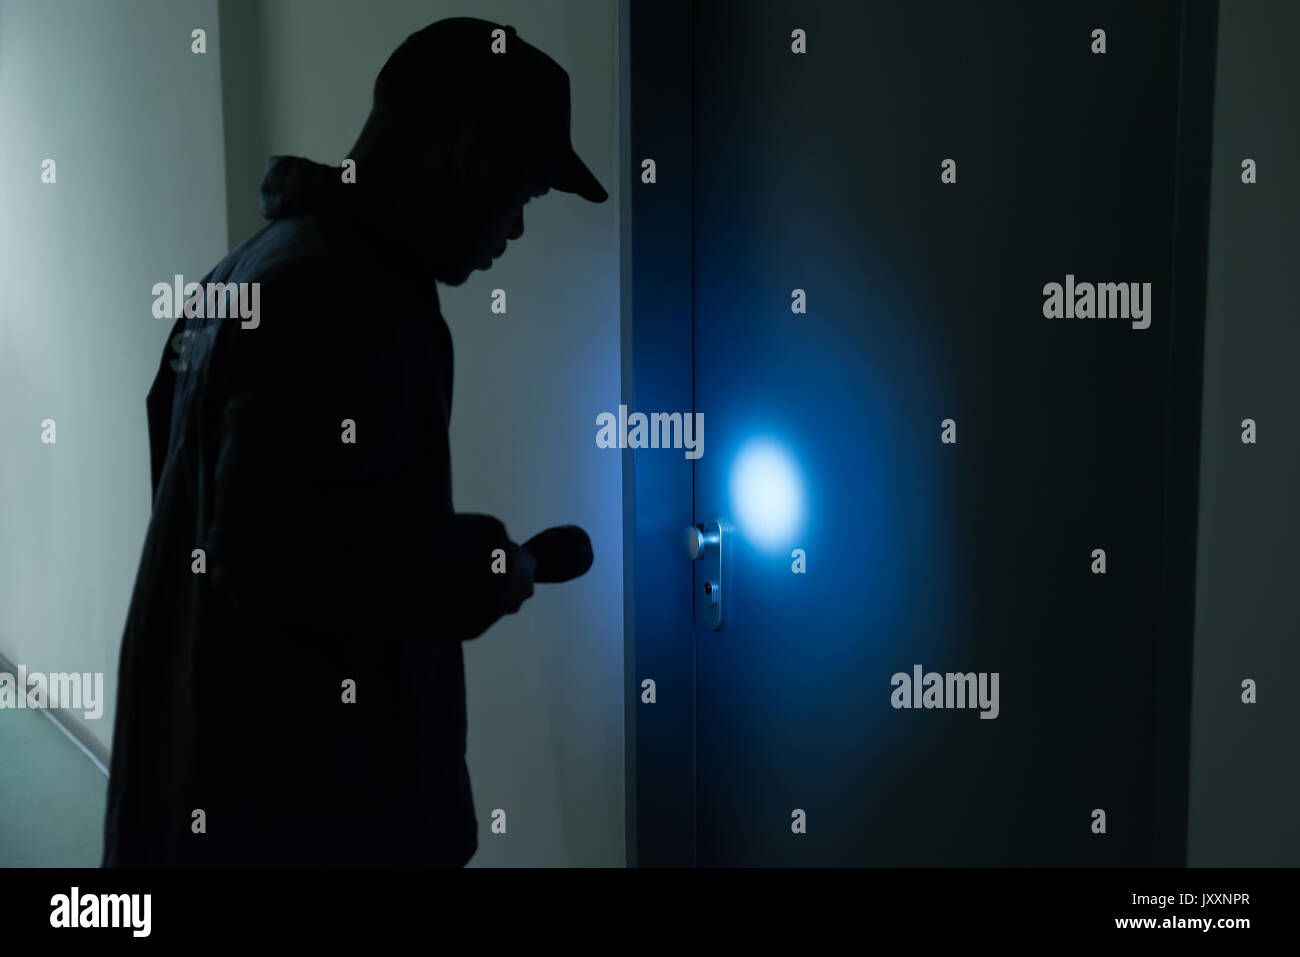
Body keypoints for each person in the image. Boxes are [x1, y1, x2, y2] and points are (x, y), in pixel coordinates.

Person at [102, 17, 603, 867]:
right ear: (460, 151)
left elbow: (217, 515)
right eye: (521, 193)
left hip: (205, 798)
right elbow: (274, 552)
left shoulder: (250, 272)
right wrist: (483, 566)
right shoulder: (334, 294)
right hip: (293, 829)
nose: (514, 230)